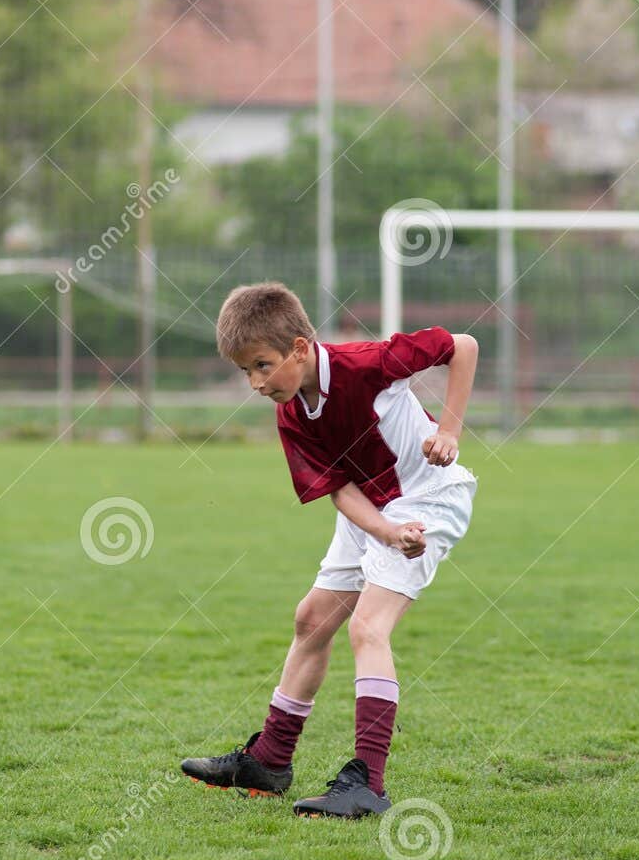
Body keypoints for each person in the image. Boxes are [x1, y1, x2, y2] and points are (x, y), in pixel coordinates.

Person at [181, 282, 479, 818]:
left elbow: (463, 345)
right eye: (245, 371)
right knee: (312, 619)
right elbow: (339, 489)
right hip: (372, 506)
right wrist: (384, 533)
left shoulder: (366, 363)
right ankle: (270, 761)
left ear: (299, 348)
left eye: (262, 365)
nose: (255, 383)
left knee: (368, 628)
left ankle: (369, 782)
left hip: (430, 497)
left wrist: (450, 430)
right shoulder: (291, 412)